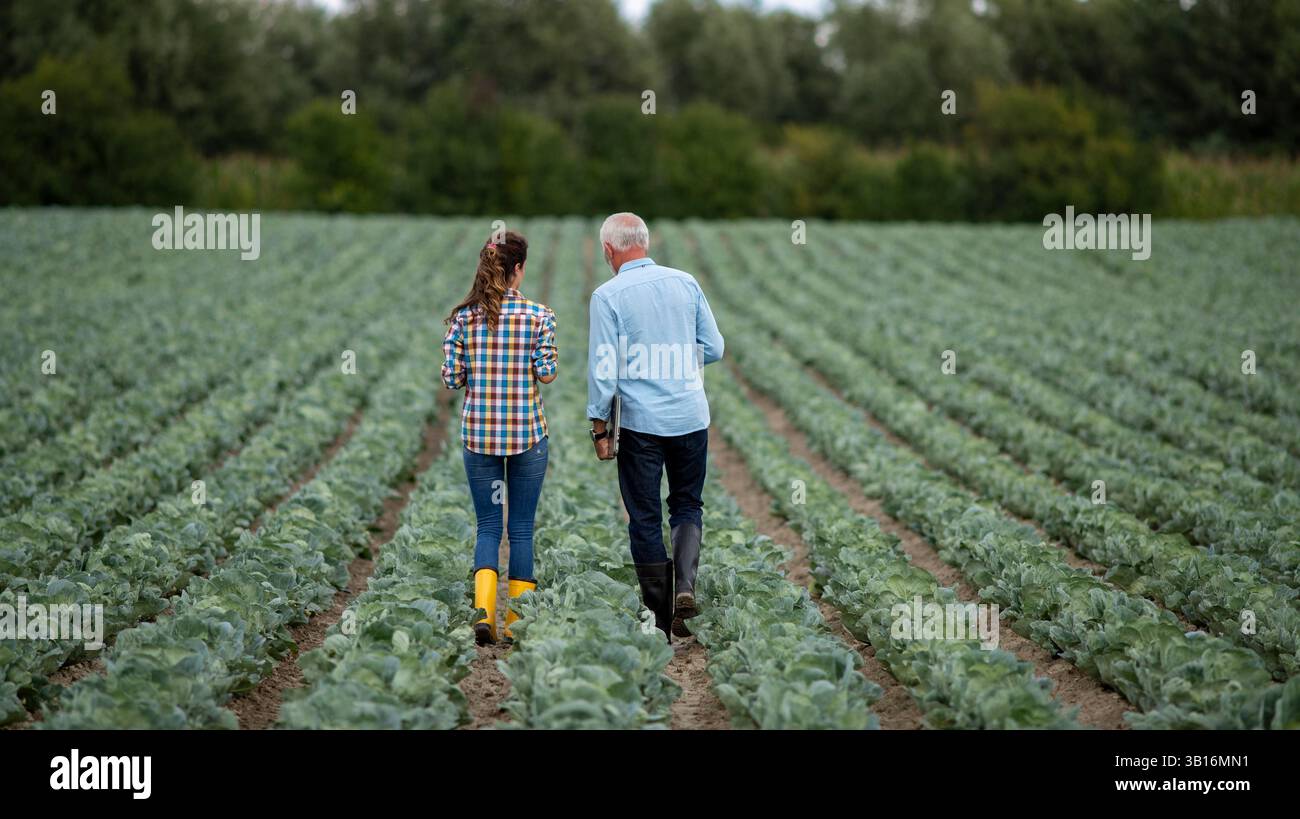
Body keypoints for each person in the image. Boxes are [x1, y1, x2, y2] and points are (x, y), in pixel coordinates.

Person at [586, 212, 725, 641]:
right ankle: (684, 586)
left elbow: (604, 368)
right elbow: (715, 347)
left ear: (609, 250)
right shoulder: (685, 282)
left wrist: (599, 425)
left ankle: (660, 620)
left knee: (643, 517)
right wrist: (681, 361)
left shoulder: (607, 295)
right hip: (689, 415)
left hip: (642, 424)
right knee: (687, 504)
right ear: (644, 242)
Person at [442, 231, 558, 645]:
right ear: (519, 270)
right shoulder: (539, 316)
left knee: (488, 526)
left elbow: (452, 378)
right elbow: (546, 373)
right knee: (522, 528)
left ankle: (484, 615)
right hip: (527, 436)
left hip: (479, 438)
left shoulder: (463, 319)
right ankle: (517, 623)